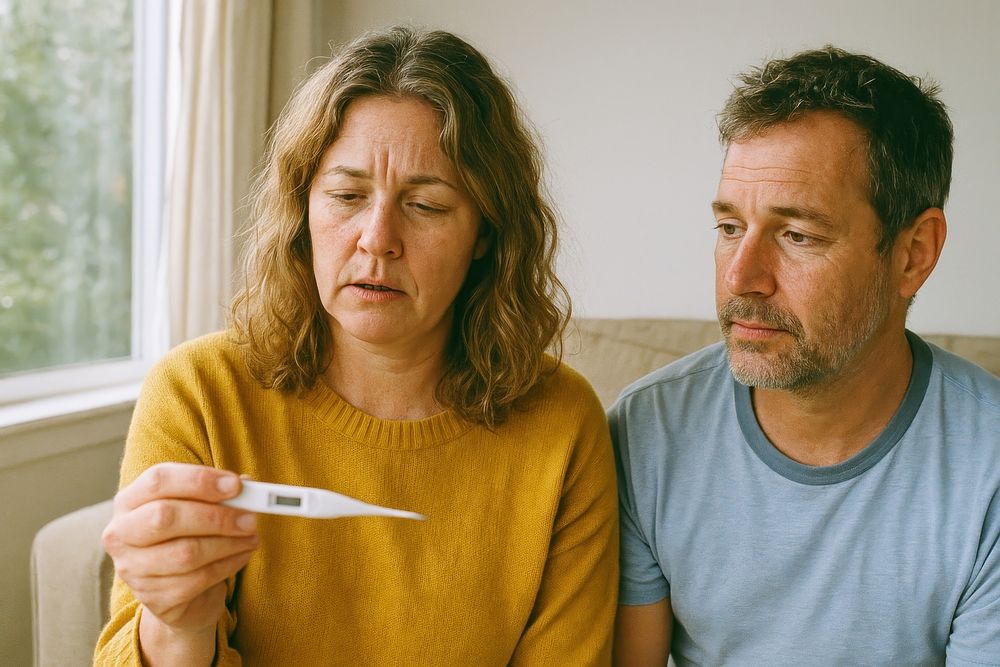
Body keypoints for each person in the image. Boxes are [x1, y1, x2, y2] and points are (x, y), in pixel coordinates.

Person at [95, 26, 618, 665]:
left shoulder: (563, 423)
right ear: (302, 209)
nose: (377, 239)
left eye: (426, 205)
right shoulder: (200, 393)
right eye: (346, 196)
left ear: (486, 233)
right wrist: (177, 627)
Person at [611, 46, 1000, 666]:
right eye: (730, 227)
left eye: (798, 235)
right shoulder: (645, 433)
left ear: (913, 254)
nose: (743, 278)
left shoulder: (989, 467)